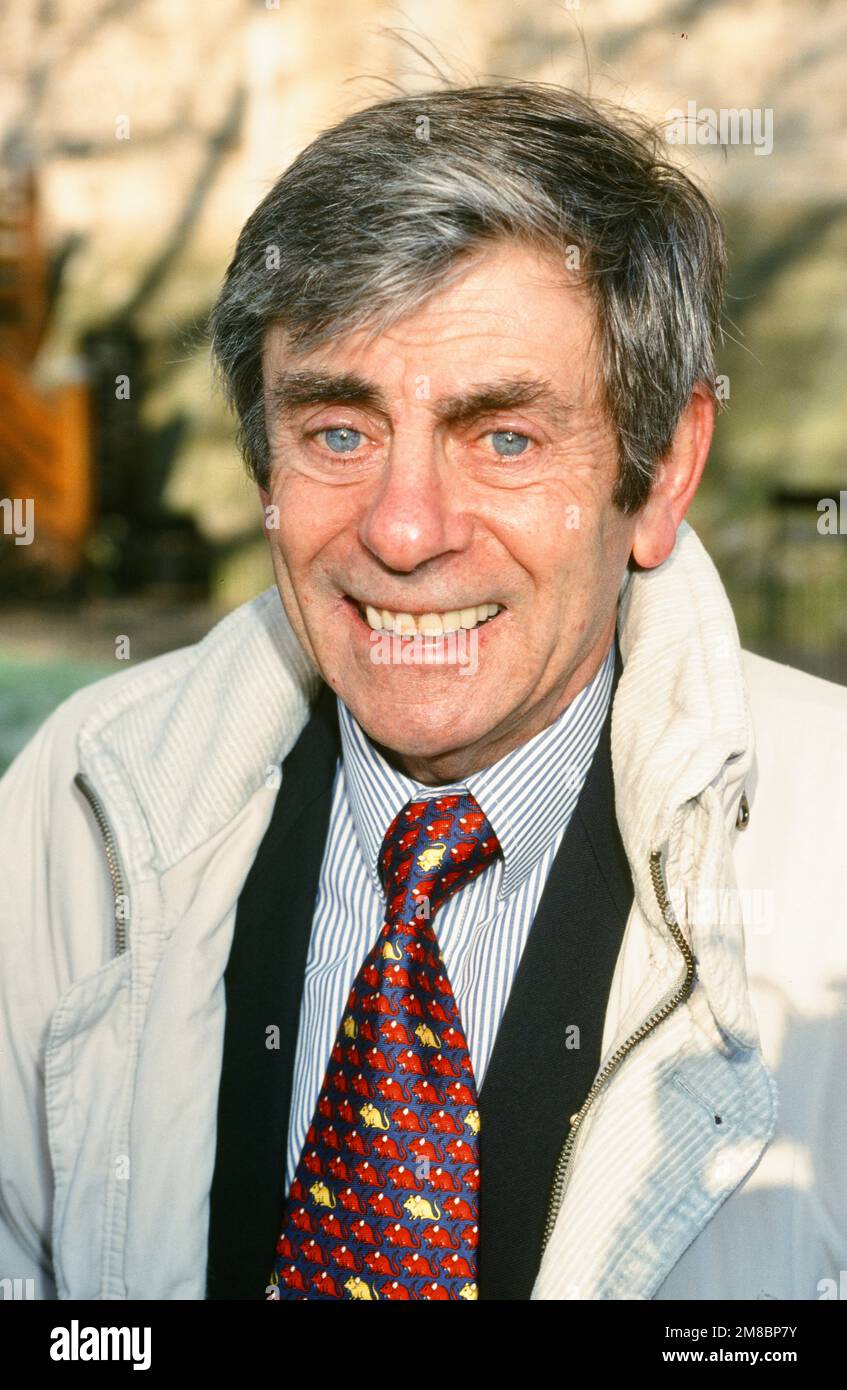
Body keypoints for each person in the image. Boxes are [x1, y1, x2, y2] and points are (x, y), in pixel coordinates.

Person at [1, 83, 845, 1303]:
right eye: (338, 432)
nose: (403, 530)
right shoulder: (78, 809)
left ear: (661, 474)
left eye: (501, 437)